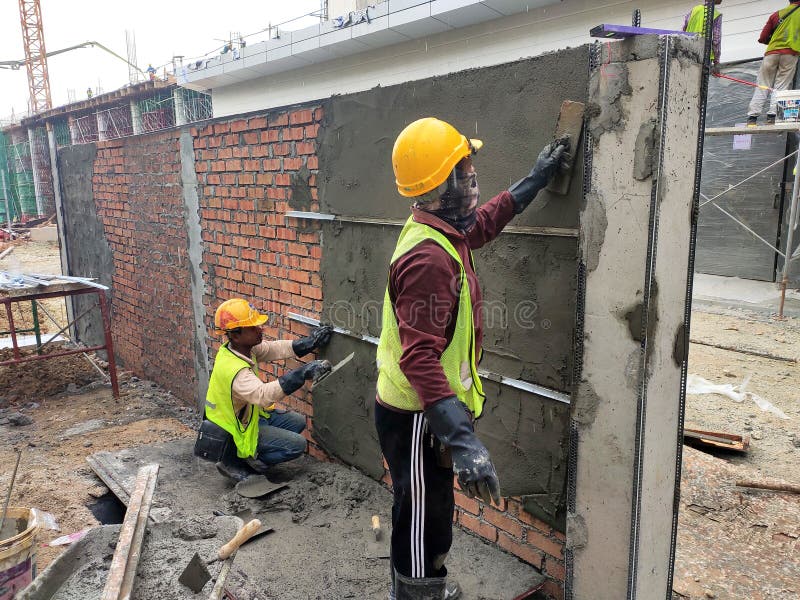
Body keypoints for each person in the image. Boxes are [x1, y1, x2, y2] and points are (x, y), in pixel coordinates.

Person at [375, 117, 569, 599]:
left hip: (423, 412)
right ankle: (420, 594)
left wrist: (534, 181)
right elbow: (419, 356)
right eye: (465, 167)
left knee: (429, 510)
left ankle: (425, 588)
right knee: (422, 518)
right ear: (444, 184)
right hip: (417, 415)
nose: (473, 174)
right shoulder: (430, 259)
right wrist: (462, 441)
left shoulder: (439, 228)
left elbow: (479, 226)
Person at [195, 298, 332, 481]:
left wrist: (309, 343)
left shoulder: (238, 349)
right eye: (253, 327)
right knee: (297, 445)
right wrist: (302, 373)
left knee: (297, 422)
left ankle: (248, 455)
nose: (260, 329)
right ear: (236, 335)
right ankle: (239, 461)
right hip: (234, 433)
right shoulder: (235, 371)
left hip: (244, 419)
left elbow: (272, 349)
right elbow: (263, 396)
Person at [747, 0, 800, 126]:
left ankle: (752, 118)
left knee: (763, 85)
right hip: (790, 53)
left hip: (771, 53)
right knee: (781, 87)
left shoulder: (777, 14)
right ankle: (772, 117)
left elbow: (763, 37)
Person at [682, 1, 723, 74]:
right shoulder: (716, 15)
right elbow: (716, 40)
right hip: (704, 57)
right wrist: (716, 62)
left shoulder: (694, 10)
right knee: (701, 83)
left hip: (687, 54)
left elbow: (684, 28)